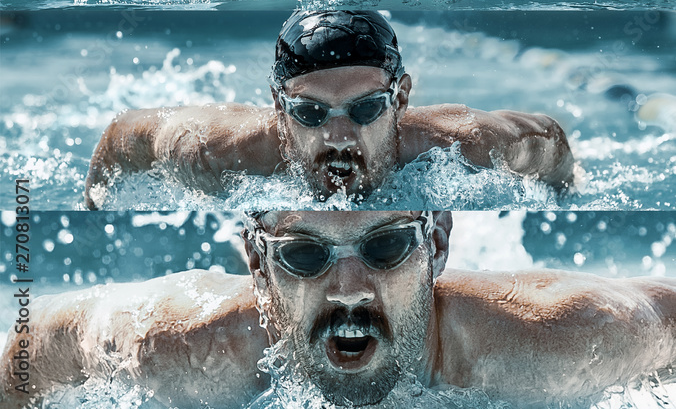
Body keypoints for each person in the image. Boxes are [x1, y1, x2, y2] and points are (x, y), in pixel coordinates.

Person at [2, 210, 674, 408]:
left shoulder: (551, 342)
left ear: (437, 244)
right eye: (304, 254)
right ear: (258, 263)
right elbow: (45, 338)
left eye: (386, 246)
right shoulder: (191, 346)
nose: (349, 289)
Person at [83, 9, 574, 207]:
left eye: (365, 110)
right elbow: (120, 138)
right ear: (279, 108)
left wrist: (570, 192)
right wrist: (91, 209)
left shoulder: (469, 144)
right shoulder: (213, 152)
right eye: (311, 113)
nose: (338, 136)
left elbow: (549, 139)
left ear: (401, 100)